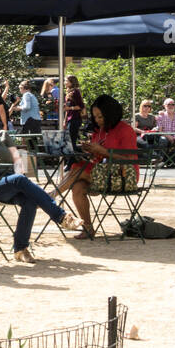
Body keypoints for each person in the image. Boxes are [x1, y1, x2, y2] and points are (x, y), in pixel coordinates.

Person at [0, 106, 80, 262]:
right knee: (20, 181)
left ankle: (20, 249)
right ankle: (61, 216)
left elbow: (17, 159)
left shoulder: (2, 135)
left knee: (29, 201)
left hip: (11, 181)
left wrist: (20, 176)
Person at [50, 95, 138, 240]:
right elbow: (98, 159)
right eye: (95, 117)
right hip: (102, 175)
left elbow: (129, 160)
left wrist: (104, 152)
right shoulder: (100, 131)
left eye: (100, 117)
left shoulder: (125, 130)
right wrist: (91, 150)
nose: (97, 120)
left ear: (111, 114)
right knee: (77, 186)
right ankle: (88, 228)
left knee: (78, 168)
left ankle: (50, 197)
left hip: (124, 177)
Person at [64, 75, 84, 149]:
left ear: (72, 82)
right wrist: (64, 120)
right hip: (70, 119)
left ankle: (71, 159)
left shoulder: (76, 92)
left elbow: (80, 106)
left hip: (75, 118)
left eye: (66, 81)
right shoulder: (68, 92)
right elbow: (67, 109)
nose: (64, 82)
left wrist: (69, 108)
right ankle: (70, 159)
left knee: (71, 141)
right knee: (69, 141)